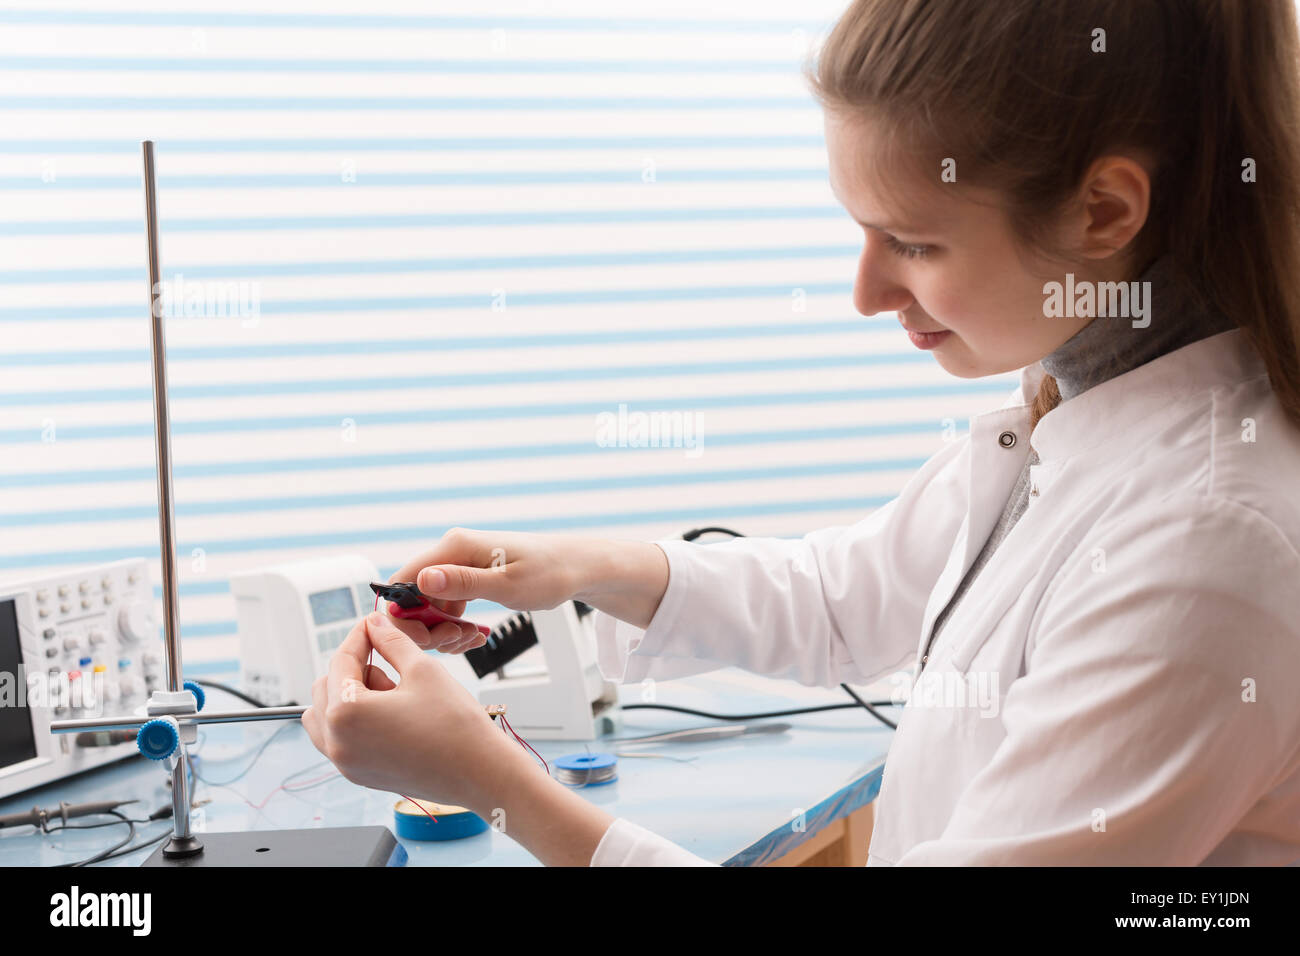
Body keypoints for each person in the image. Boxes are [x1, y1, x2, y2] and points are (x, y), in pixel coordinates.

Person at [302, 0, 1300, 865]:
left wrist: (500, 786)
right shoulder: (1079, 397)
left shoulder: (1205, 547)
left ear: (1104, 210)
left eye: (911, 241)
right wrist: (565, 568)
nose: (864, 292)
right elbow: (843, 594)